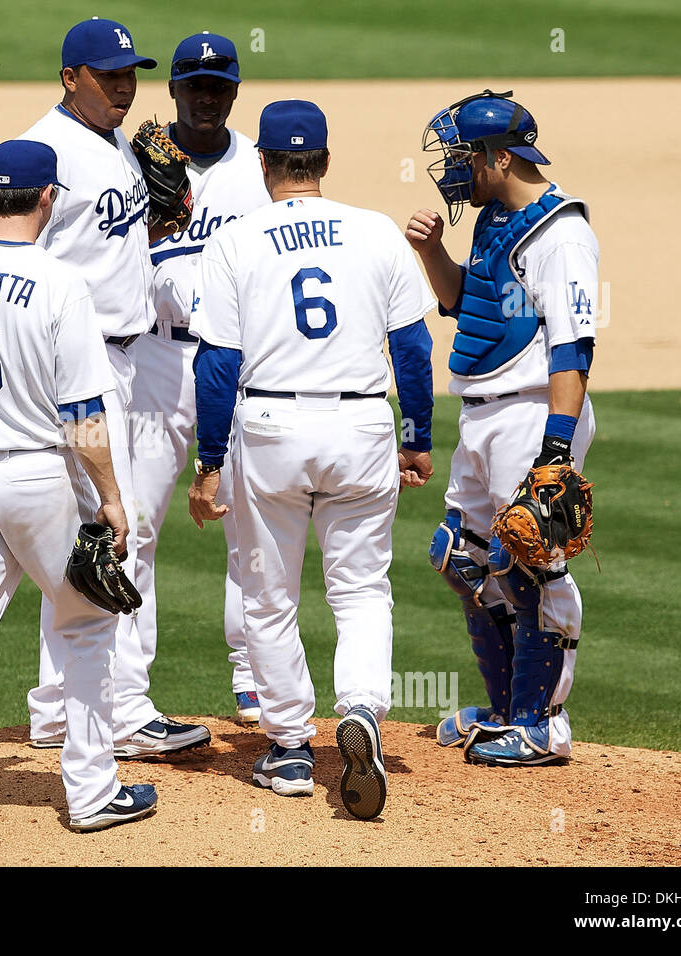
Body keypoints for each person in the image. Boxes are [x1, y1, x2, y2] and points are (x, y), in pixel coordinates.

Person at [0, 140, 159, 857]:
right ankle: (94, 793)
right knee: (86, 627)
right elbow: (82, 415)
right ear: (49, 199)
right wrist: (111, 497)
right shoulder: (57, 281)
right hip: (39, 478)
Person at [189, 100, 437, 820]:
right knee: (361, 589)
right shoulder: (376, 232)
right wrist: (416, 437)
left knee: (269, 594)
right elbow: (415, 350)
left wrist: (209, 462)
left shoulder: (236, 240)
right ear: (324, 163)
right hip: (362, 422)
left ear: (263, 163)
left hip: (270, 425)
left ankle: (292, 746)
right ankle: (359, 707)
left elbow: (219, 363)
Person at [19, 16, 211, 758]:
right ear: (71, 77)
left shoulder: (116, 147)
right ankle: (121, 710)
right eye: (109, 75)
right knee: (113, 532)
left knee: (80, 540)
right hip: (80, 363)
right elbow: (16, 254)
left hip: (120, 360)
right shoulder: (46, 152)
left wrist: (163, 225)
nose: (125, 85)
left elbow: (110, 248)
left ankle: (55, 710)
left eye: (131, 73)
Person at [406, 90, 598, 766]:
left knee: (531, 564)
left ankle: (541, 723)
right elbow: (464, 301)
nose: (454, 169)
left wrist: (556, 450)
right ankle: (502, 709)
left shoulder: (561, 233)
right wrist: (432, 253)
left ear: (500, 157)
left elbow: (574, 347)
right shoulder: (494, 219)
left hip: (531, 410)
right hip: (481, 411)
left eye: (463, 157)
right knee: (460, 556)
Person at [128, 31, 269, 727]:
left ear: (235, 91)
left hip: (240, 360)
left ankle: (251, 677)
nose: (206, 97)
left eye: (218, 86)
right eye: (193, 86)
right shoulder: (135, 164)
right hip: (155, 360)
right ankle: (125, 690)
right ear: (175, 91)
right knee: (134, 522)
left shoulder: (261, 169)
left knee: (250, 521)